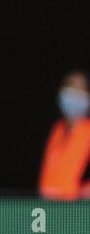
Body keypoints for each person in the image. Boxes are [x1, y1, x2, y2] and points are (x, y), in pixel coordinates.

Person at [37, 69, 90, 200]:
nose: (75, 92)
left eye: (80, 88)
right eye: (71, 86)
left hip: (74, 209)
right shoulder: (58, 128)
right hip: (47, 207)